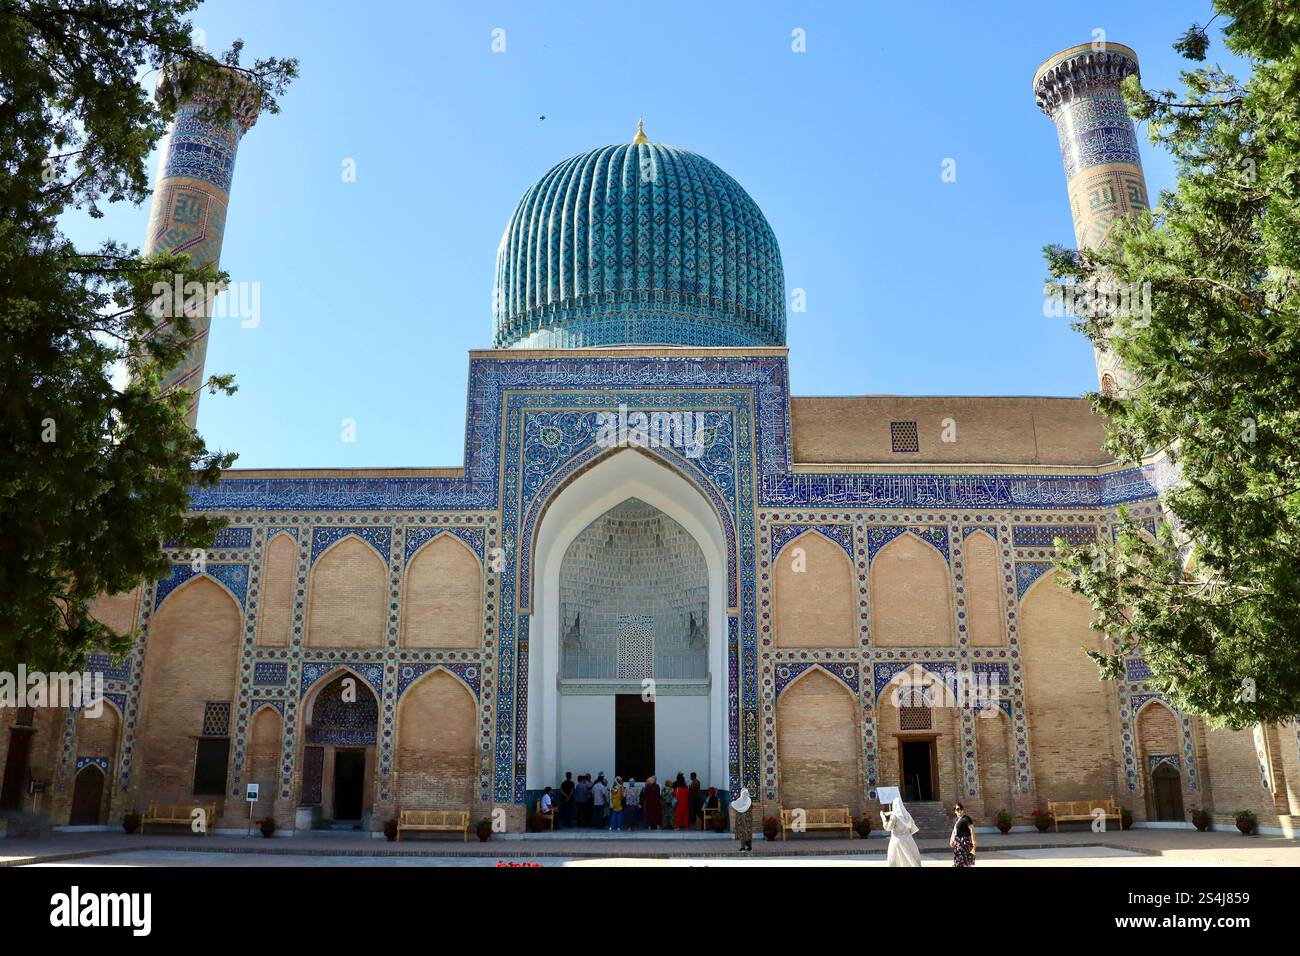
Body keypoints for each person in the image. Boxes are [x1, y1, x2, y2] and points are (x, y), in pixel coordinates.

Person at [881, 797, 922, 867]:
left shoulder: (894, 817)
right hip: (909, 839)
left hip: (897, 840)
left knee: (895, 859)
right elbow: (912, 825)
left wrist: (883, 819)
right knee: (910, 858)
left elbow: (888, 828)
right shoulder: (907, 815)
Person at [950, 802, 976, 867]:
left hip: (964, 842)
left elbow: (972, 829)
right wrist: (951, 840)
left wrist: (974, 841)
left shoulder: (966, 818)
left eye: (961, 808)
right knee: (960, 860)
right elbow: (954, 831)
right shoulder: (957, 820)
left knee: (964, 860)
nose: (960, 810)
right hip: (958, 843)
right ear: (955, 811)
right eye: (957, 809)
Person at [731, 786, 753, 851]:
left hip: (743, 821)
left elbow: (733, 804)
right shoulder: (749, 801)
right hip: (747, 821)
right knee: (747, 833)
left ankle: (744, 846)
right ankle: (748, 846)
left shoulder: (740, 801)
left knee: (743, 833)